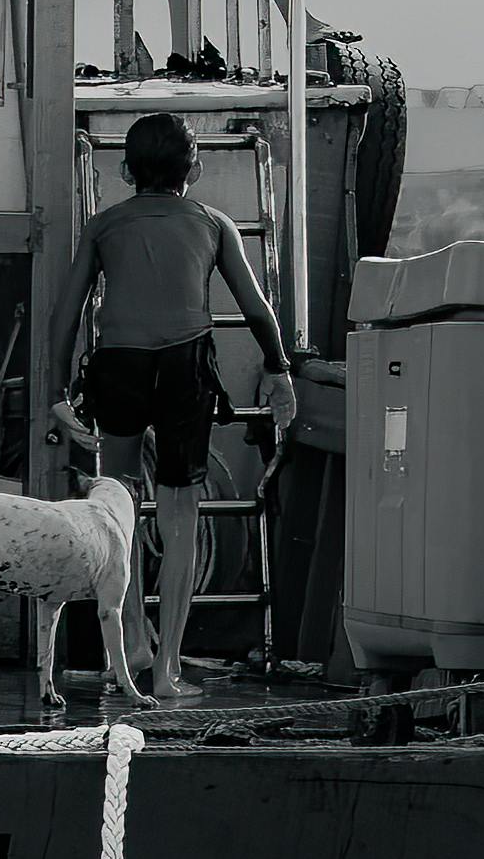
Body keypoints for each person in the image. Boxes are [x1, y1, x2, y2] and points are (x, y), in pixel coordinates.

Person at [49, 110, 299, 705]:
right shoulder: (214, 224)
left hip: (119, 365)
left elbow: (66, 315)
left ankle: (130, 647)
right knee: (181, 514)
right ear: (197, 166)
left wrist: (56, 394)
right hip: (184, 364)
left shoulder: (104, 225)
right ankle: (166, 670)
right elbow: (258, 310)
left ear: (125, 170)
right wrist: (280, 372)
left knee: (118, 509)